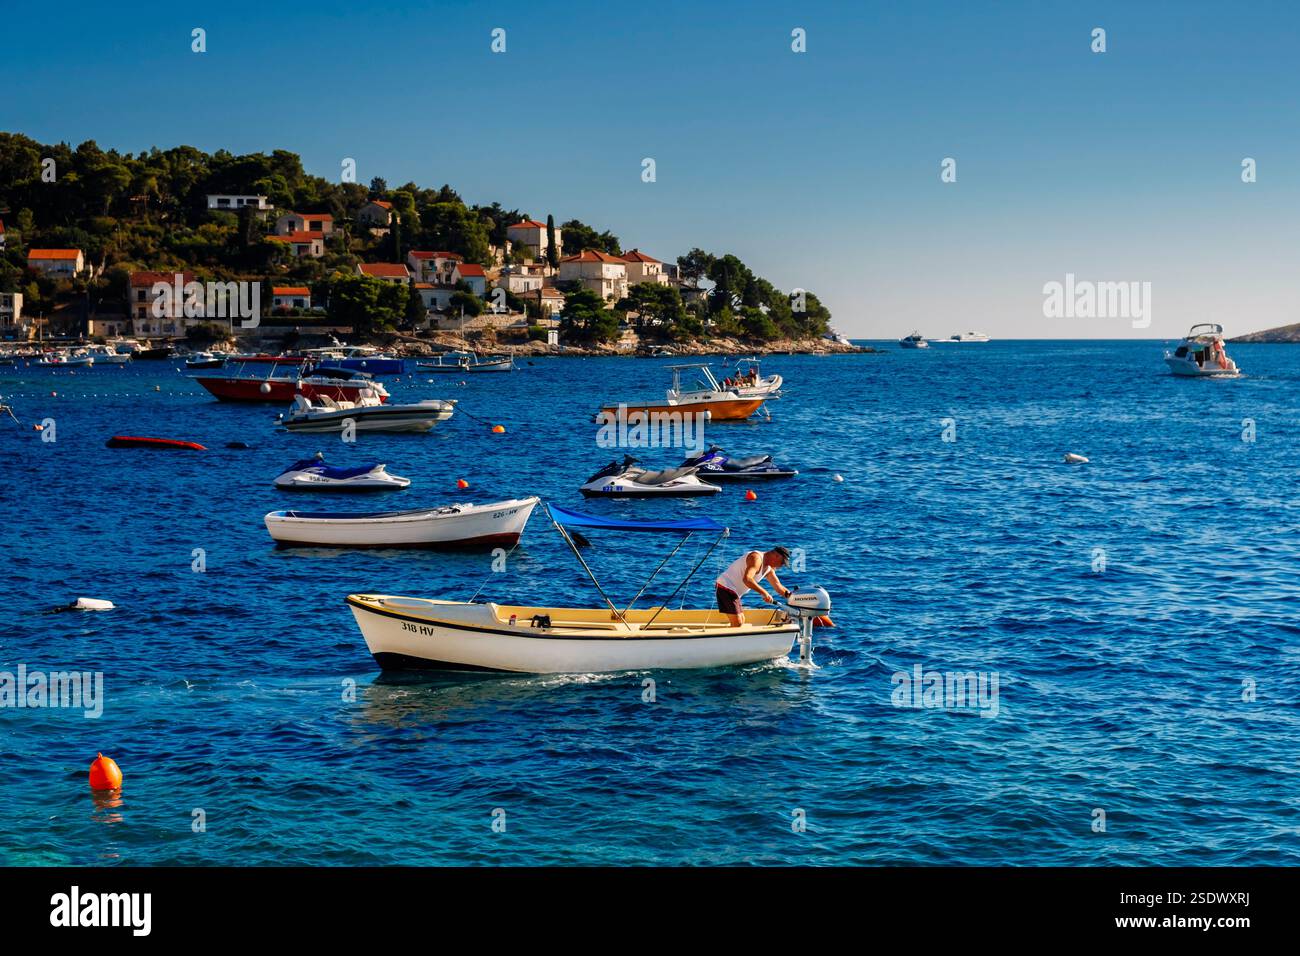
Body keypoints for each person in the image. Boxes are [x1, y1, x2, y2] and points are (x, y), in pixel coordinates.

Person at [715, 546, 792, 626]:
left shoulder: (769, 569)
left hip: (734, 592)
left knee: (741, 620)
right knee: (738, 622)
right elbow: (747, 579)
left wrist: (793, 596)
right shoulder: (756, 558)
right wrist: (764, 593)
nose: (781, 566)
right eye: (782, 562)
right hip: (726, 586)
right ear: (776, 556)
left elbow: (778, 586)